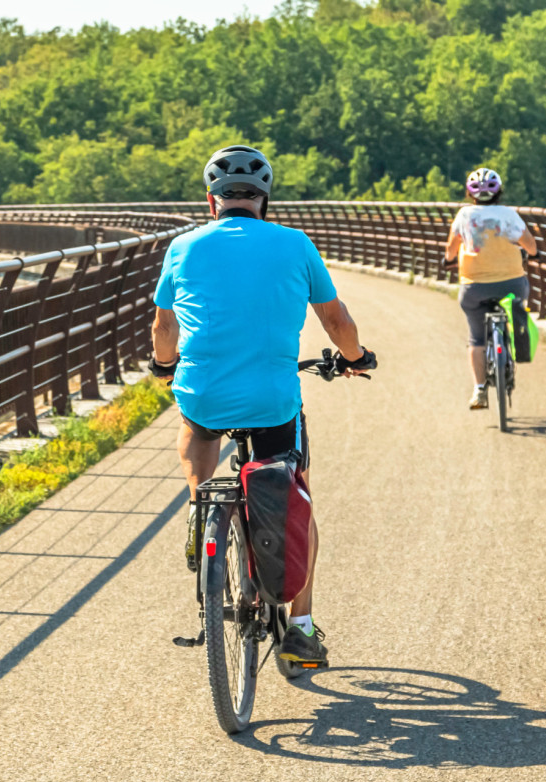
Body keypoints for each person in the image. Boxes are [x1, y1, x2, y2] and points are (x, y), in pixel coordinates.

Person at [149, 145, 377, 666]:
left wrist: (165, 366)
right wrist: (356, 358)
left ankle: (201, 505)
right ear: (264, 200)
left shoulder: (182, 247)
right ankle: (300, 627)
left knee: (197, 426)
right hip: (272, 400)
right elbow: (336, 320)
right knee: (299, 497)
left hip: (203, 392)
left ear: (212, 202)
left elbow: (165, 327)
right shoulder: (295, 244)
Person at [445, 168, 538, 409]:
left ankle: (478, 390)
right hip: (512, 284)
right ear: (500, 192)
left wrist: (448, 260)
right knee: (517, 300)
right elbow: (529, 243)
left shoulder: (464, 215)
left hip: (474, 286)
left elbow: (451, 249)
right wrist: (534, 255)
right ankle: (516, 337)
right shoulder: (509, 214)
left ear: (469, 193)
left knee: (477, 338)